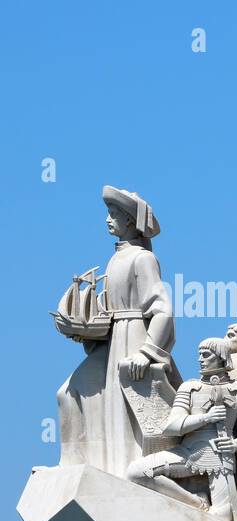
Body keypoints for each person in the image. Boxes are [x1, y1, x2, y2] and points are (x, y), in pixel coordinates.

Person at [57, 186, 180, 477]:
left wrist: (148, 352)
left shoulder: (143, 258)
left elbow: (162, 308)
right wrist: (86, 331)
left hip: (134, 337)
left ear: (129, 220)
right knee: (68, 392)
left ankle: (130, 468)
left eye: (113, 214)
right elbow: (108, 308)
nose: (107, 220)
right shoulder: (115, 259)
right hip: (113, 339)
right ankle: (76, 461)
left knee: (127, 408)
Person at [125, 338, 237, 521]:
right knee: (136, 472)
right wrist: (205, 418)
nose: (200, 359)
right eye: (199, 354)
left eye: (206, 354)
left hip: (221, 459)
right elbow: (172, 426)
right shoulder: (190, 387)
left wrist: (235, 444)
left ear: (221, 356)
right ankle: (197, 503)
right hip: (188, 453)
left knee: (221, 518)